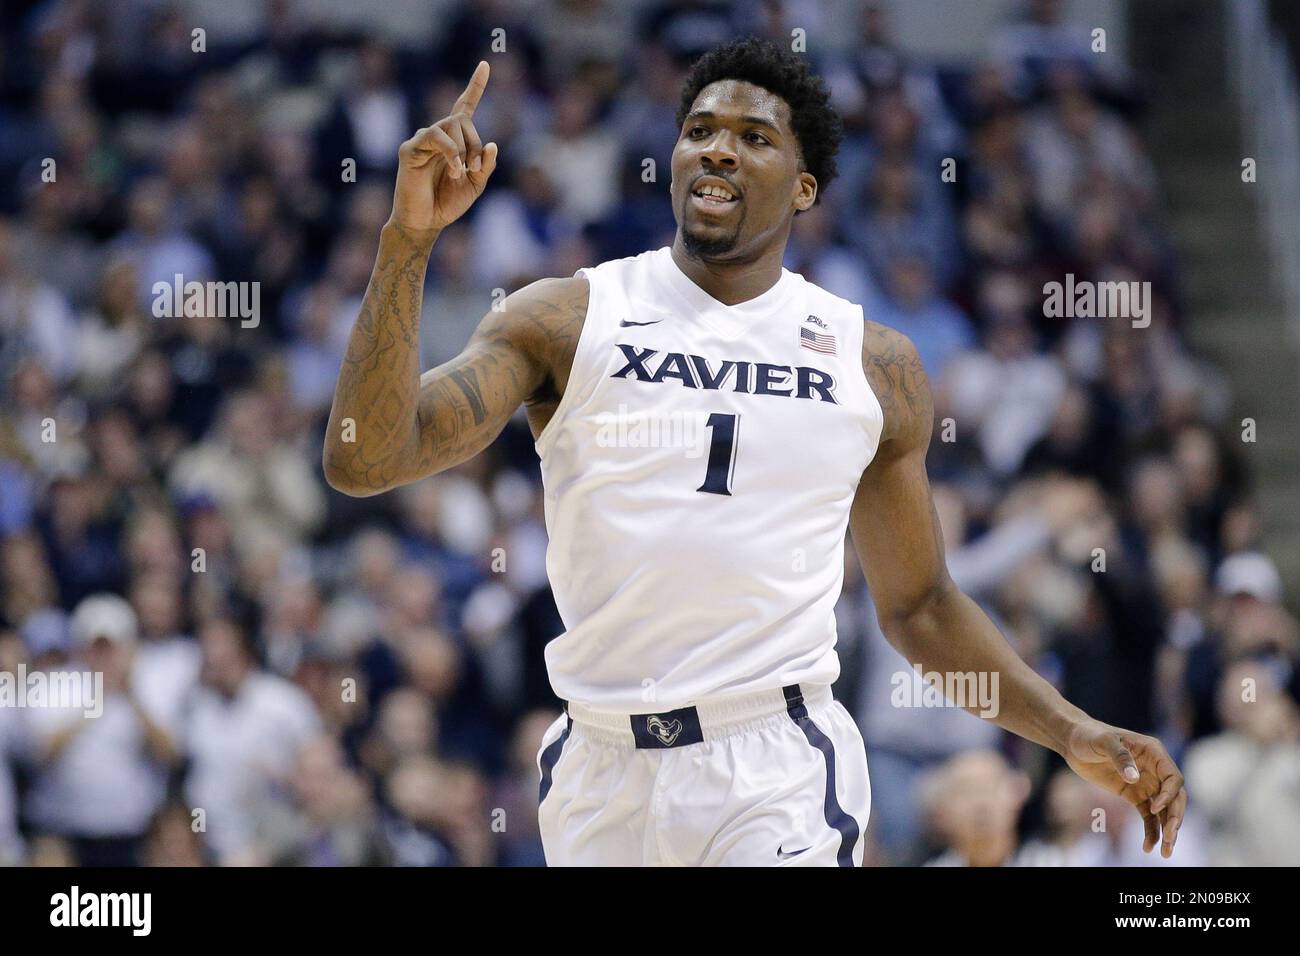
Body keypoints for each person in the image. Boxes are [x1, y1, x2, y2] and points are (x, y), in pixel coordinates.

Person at [322, 38, 1186, 867]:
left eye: (753, 138)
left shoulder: (870, 363)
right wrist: (407, 241)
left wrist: (1071, 729)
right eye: (699, 131)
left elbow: (920, 607)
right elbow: (365, 459)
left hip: (773, 762)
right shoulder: (566, 316)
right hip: (599, 763)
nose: (718, 152)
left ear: (805, 187)